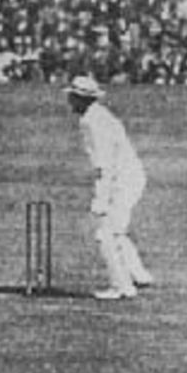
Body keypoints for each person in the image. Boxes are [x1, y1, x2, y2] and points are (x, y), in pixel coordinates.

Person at [64, 75, 154, 300]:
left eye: (72, 97)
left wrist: (101, 199)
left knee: (105, 233)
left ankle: (122, 287)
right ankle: (139, 274)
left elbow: (105, 165)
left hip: (122, 181)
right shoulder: (98, 115)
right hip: (130, 176)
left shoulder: (92, 122)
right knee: (116, 229)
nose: (69, 101)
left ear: (81, 99)